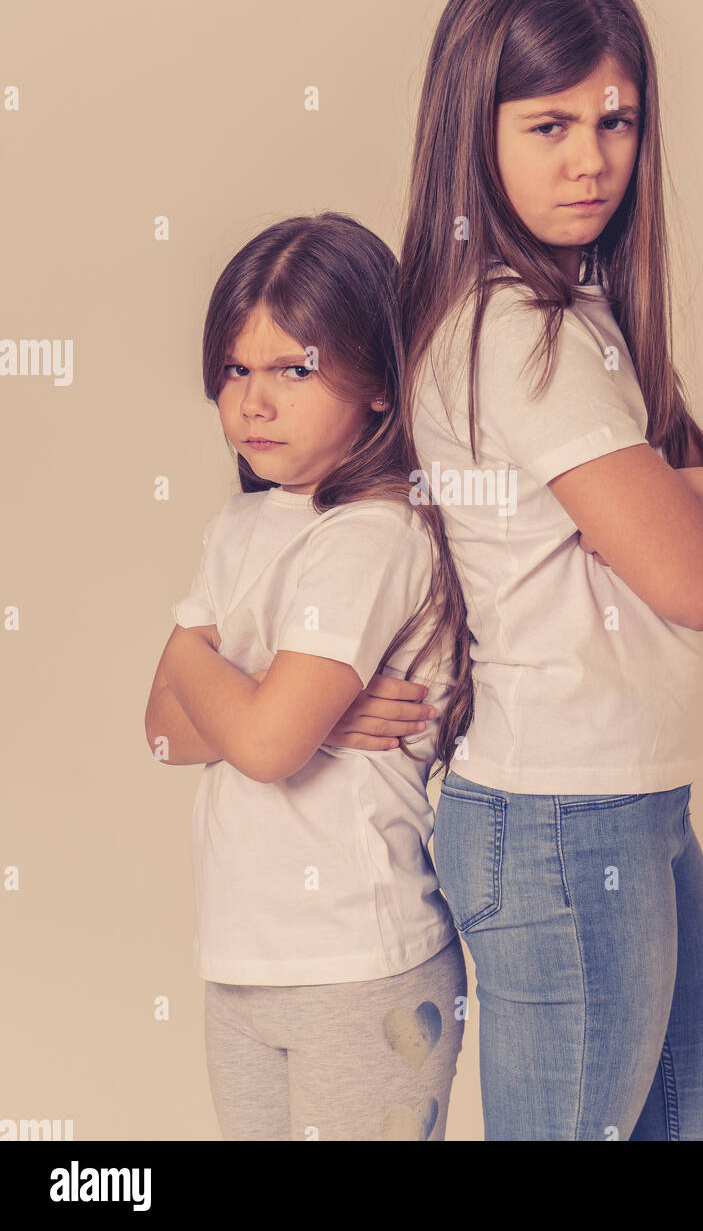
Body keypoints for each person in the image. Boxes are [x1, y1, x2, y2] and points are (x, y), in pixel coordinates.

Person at [398, 0, 703, 1140]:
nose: (592, 159)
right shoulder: (516, 326)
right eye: (548, 123)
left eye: (616, 120)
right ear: (476, 128)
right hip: (559, 816)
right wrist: (692, 508)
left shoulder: (582, 310)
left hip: (633, 797)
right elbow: (702, 572)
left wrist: (692, 502)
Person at [144, 212, 473, 1141]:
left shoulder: (372, 532)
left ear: (374, 380)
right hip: (243, 954)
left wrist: (191, 658)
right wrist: (290, 718)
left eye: (295, 369)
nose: (255, 401)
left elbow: (256, 743)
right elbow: (163, 735)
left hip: (359, 961)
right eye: (236, 370)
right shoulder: (240, 528)